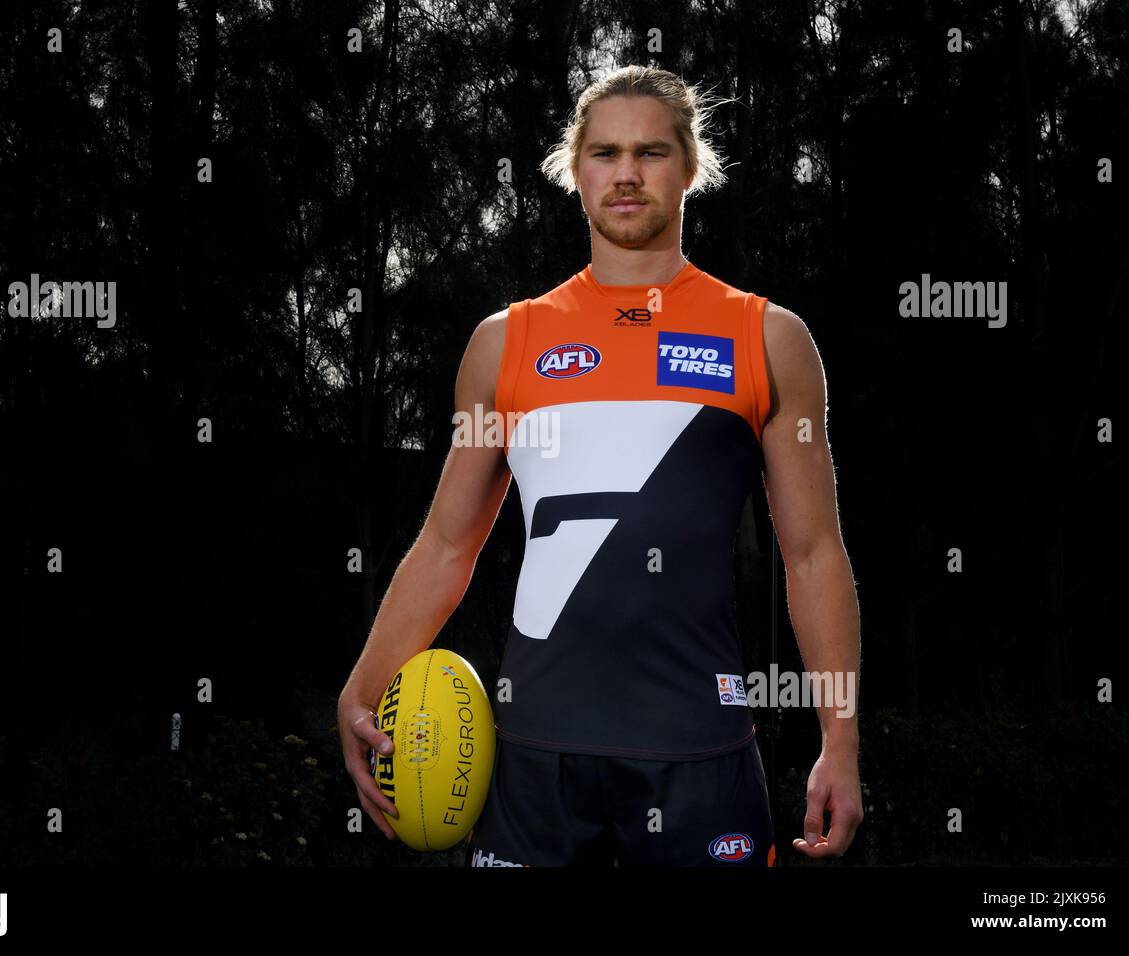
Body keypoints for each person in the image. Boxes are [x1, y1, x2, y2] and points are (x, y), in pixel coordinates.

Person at [338, 65, 863, 866]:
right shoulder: (504, 343)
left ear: (690, 167)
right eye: (605, 153)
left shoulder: (767, 338)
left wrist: (841, 739)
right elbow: (447, 545)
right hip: (533, 757)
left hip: (701, 752)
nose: (625, 174)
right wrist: (363, 685)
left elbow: (814, 553)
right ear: (573, 170)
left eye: (651, 152)